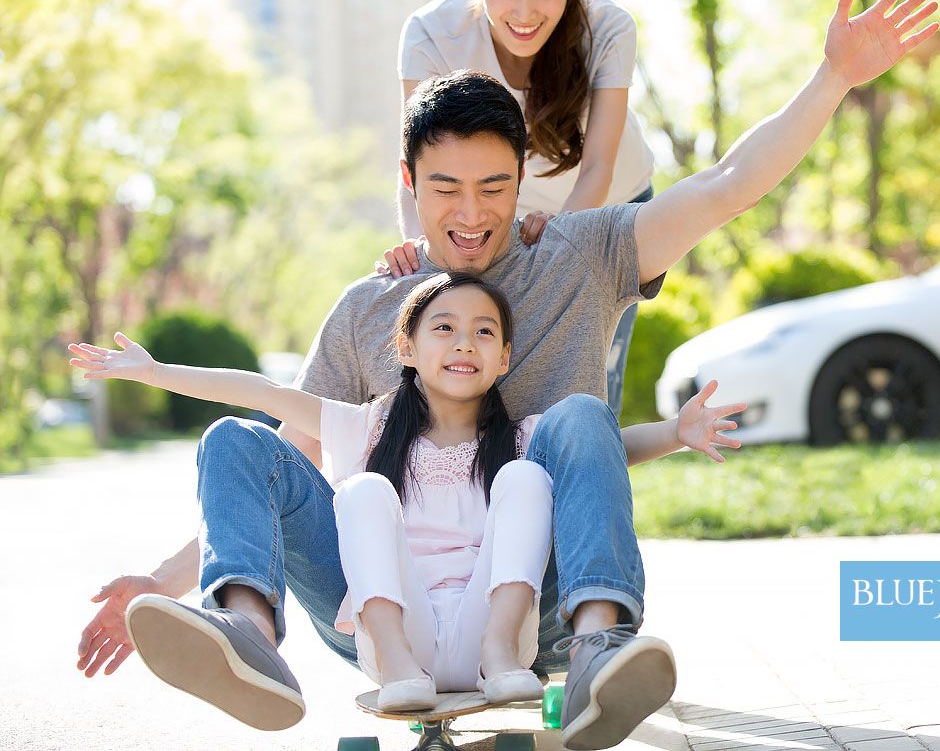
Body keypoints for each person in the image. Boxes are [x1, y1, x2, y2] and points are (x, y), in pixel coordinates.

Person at [78, 0, 939, 750]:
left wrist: (833, 77)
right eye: (444, 188)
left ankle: (604, 644)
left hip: (541, 606)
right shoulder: (366, 308)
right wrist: (156, 582)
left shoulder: (583, 252)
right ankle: (247, 636)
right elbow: (289, 461)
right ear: (409, 182)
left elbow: (727, 182)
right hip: (382, 613)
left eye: (494, 187)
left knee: (577, 417)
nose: (470, 213)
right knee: (240, 438)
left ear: (525, 176)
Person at [68, 273, 741, 719]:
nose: (463, 342)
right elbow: (258, 392)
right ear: (408, 348)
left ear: (504, 357)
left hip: (496, 634)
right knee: (292, 462)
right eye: (443, 327)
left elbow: (601, 452)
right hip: (394, 635)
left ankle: (562, 646)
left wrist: (676, 434)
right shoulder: (360, 426)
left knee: (528, 475)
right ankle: (248, 631)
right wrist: (156, 372)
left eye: (484, 331)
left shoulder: (524, 438)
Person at [386, 0, 655, 418]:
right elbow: (419, 164)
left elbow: (598, 164)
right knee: (498, 357)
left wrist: (562, 246)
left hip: (606, 209)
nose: (525, 12)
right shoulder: (431, 33)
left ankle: (590, 472)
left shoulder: (608, 27)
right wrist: (424, 264)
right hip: (508, 213)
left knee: (586, 373)